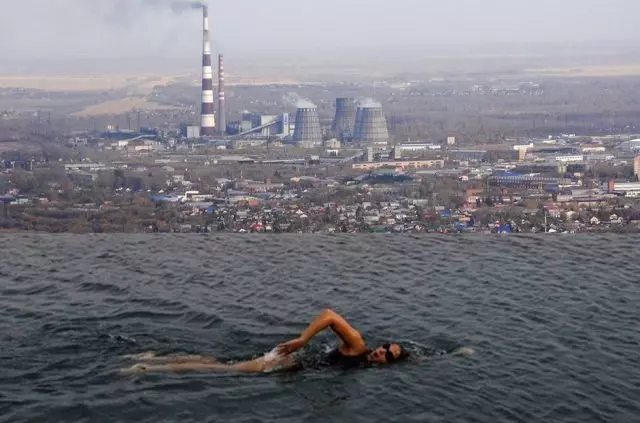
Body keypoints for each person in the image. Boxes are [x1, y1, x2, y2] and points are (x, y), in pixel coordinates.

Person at [121, 308, 469, 374]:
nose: (380, 351)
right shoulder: (359, 346)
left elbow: (425, 358)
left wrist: (458, 354)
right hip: (286, 362)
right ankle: (147, 368)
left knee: (217, 363)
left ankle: (154, 358)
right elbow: (331, 315)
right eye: (384, 346)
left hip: (290, 366)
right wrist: (303, 340)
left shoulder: (365, 364)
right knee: (220, 370)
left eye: (386, 354)